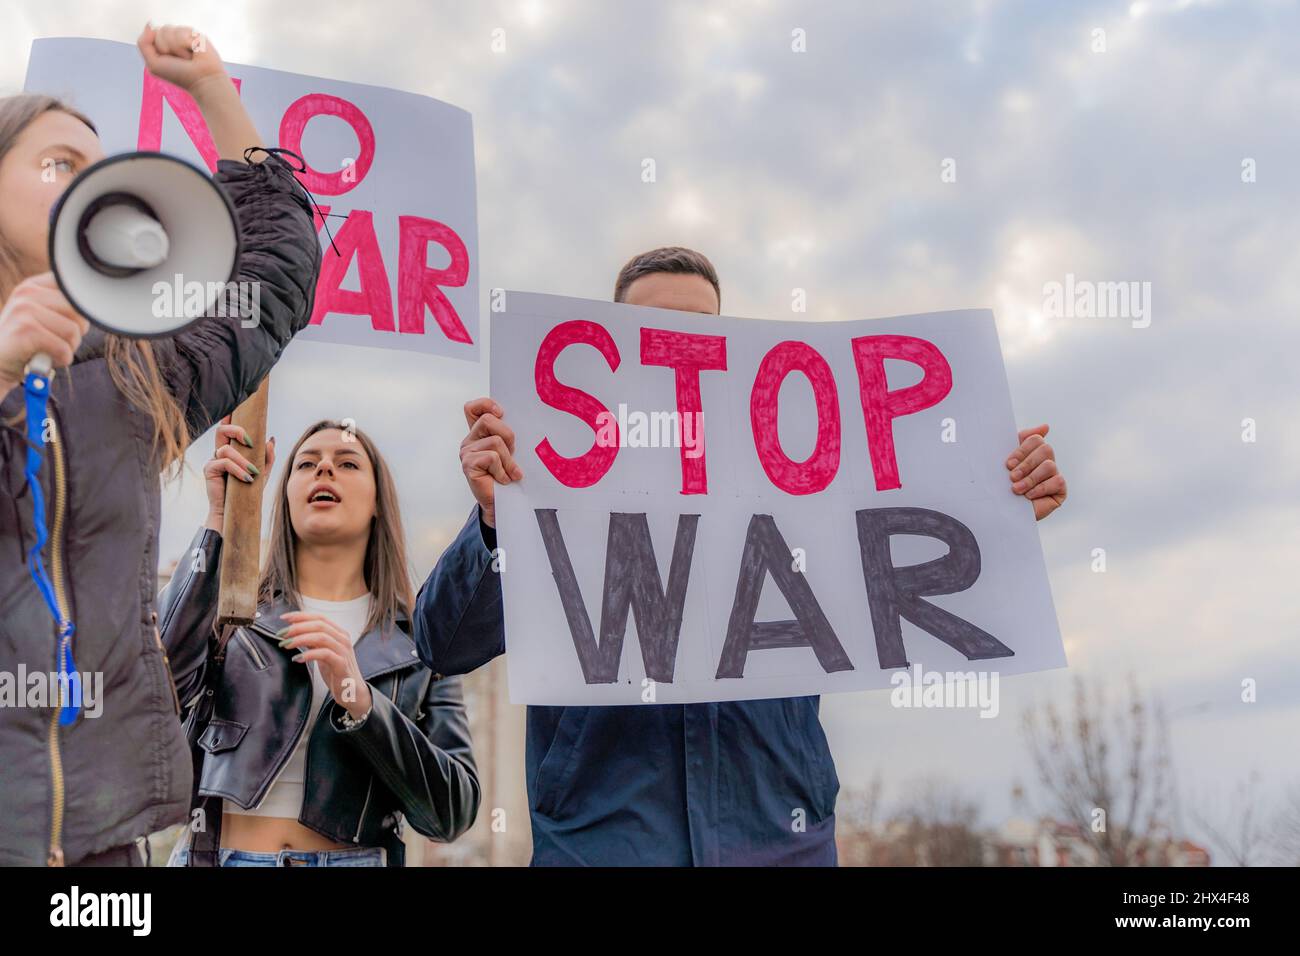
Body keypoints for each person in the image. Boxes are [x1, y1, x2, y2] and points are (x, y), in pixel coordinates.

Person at [415, 246, 1069, 866]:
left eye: (699, 329)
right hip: (603, 845)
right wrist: (498, 524)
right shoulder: (544, 480)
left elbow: (901, 552)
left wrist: (995, 506)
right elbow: (444, 645)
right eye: (649, 328)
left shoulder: (809, 480)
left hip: (779, 839)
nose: (677, 348)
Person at [0, 24, 321, 866]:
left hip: (104, 839)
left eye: (97, 169)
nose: (87, 185)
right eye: (56, 163)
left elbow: (272, 277)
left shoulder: (138, 373)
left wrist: (213, 89)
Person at [158, 419, 479, 867]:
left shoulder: (421, 641)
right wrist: (220, 520)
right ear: (285, 495)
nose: (324, 468)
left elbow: (452, 812)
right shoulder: (232, 609)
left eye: (347, 463)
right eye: (306, 464)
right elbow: (153, 684)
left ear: (378, 503)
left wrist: (361, 700)